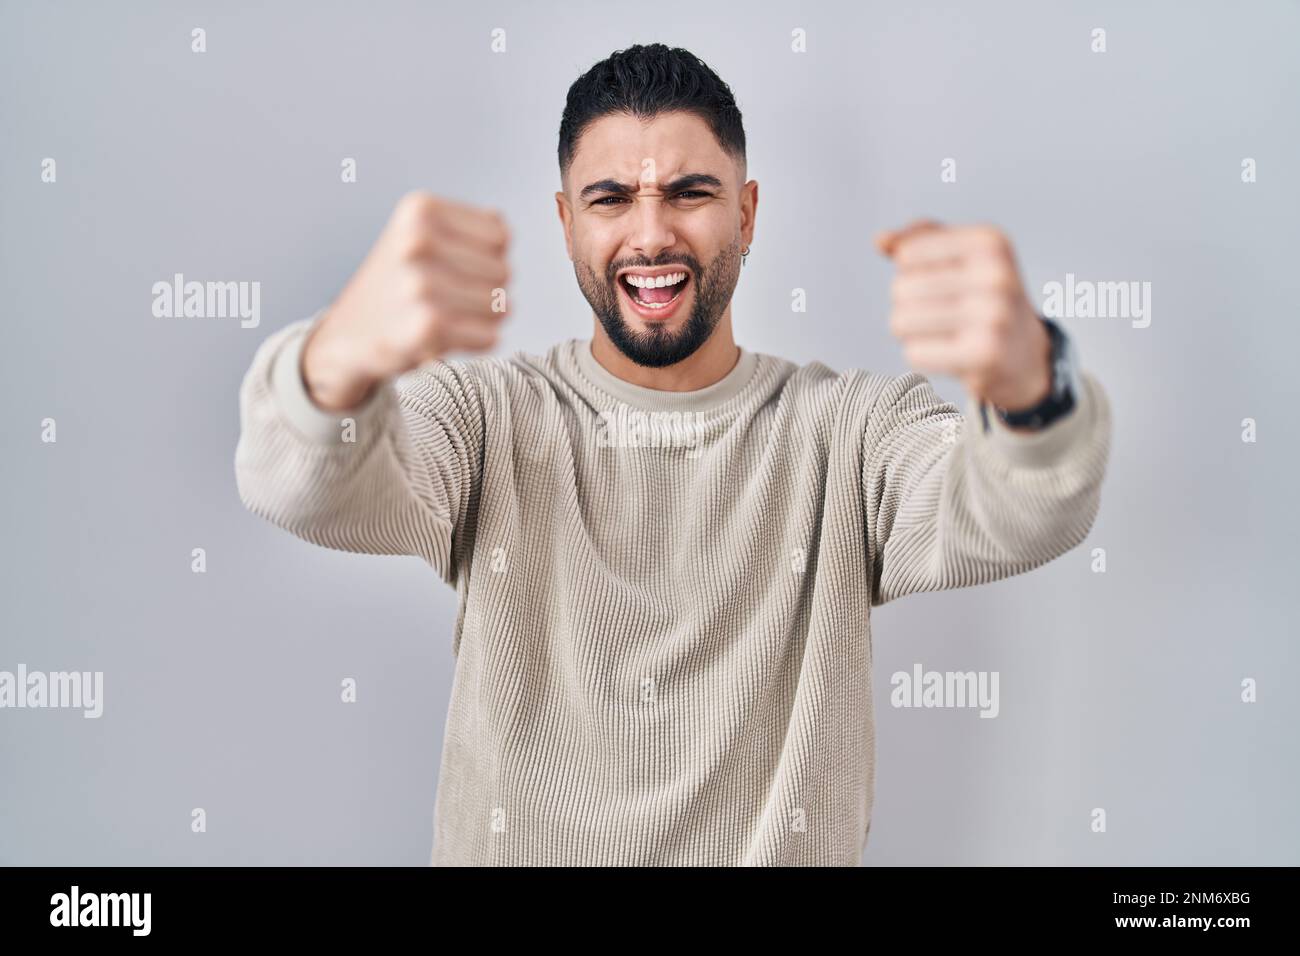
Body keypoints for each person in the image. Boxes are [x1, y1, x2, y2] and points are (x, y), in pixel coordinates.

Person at [234, 43, 1112, 866]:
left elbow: (1020, 510)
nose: (650, 235)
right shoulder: (486, 418)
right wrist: (337, 359)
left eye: (690, 192)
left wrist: (1031, 382)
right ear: (566, 220)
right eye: (611, 198)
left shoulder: (848, 430)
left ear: (748, 210)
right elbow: (308, 487)